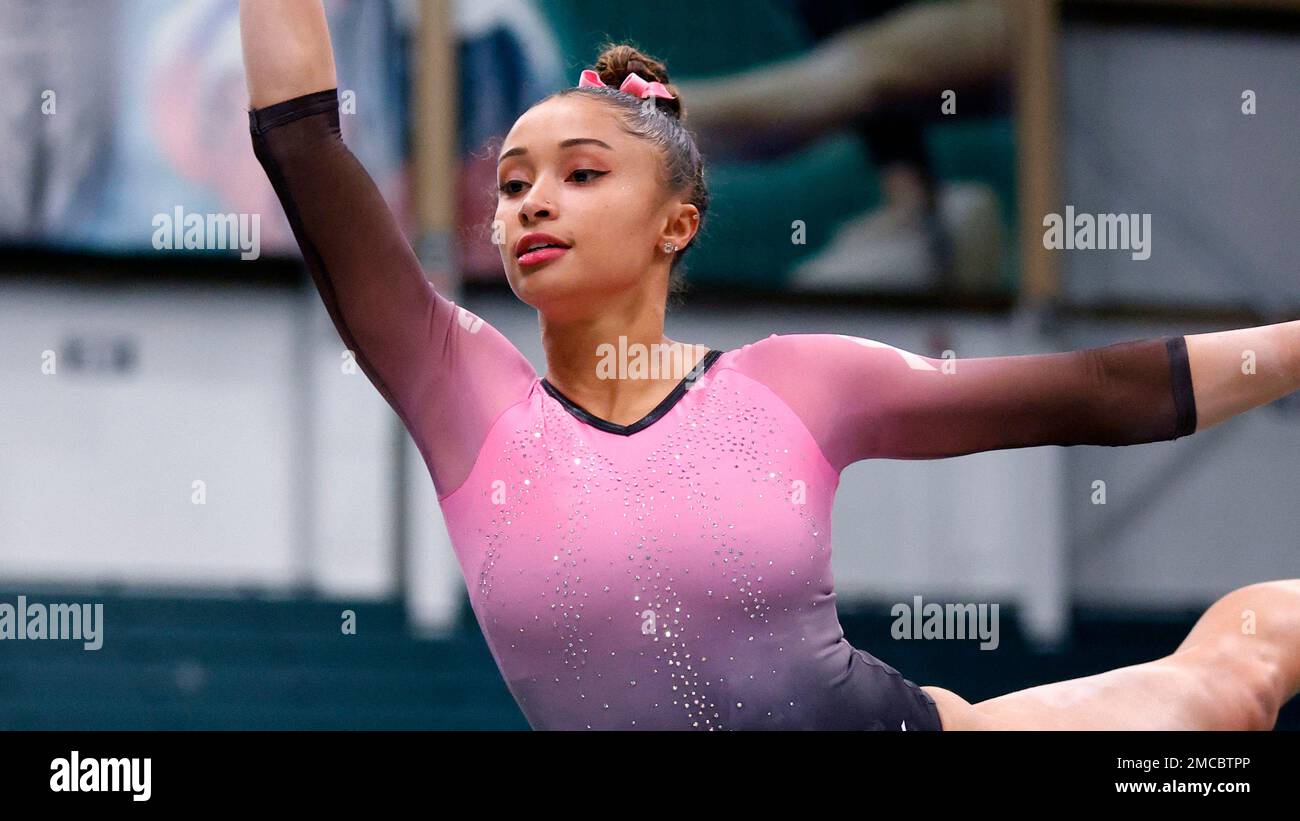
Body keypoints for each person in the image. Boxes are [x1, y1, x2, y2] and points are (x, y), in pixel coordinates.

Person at [240, 1, 1300, 730]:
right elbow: (302, 145)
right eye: (513, 185)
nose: (532, 204)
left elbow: (1092, 393)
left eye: (581, 173)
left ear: (676, 223)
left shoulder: (794, 384)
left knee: (1238, 684)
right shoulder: (463, 392)